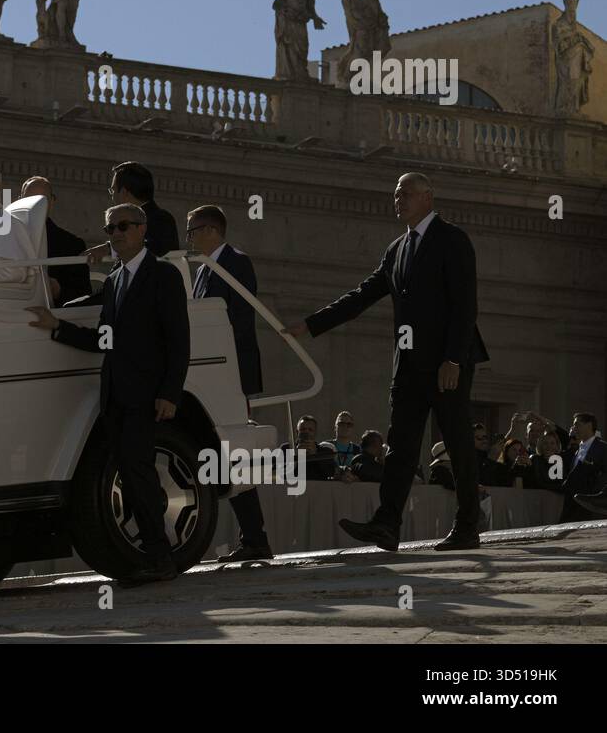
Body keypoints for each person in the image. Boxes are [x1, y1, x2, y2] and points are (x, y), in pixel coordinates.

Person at [286, 172, 489, 552]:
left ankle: (467, 525)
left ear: (428, 197)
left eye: (406, 193)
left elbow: (465, 306)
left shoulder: (452, 239)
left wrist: (453, 359)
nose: (399, 200)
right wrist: (311, 325)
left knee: (458, 444)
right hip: (409, 366)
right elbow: (363, 295)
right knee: (401, 445)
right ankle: (387, 524)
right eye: (395, 195)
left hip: (447, 364)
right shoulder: (397, 249)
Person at [27, 203, 190, 586]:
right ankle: (151, 556)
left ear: (141, 229)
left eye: (123, 226)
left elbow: (179, 340)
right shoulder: (115, 280)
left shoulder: (163, 276)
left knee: (140, 474)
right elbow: (105, 339)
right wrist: (56, 327)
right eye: (110, 228)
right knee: (130, 478)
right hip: (114, 398)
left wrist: (170, 393)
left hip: (147, 396)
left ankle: (160, 556)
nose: (116, 234)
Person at [184, 204, 271, 561]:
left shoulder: (235, 262)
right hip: (214, 374)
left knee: (234, 452)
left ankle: (255, 537)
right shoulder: (206, 269)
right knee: (226, 453)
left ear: (211, 231)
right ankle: (252, 536)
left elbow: (239, 320)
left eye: (191, 230)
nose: (187, 238)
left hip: (229, 373)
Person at [21, 176, 90, 305]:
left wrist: (58, 291)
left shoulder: (72, 245)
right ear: (19, 202)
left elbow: (82, 294)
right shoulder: (4, 238)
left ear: (52, 202)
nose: (36, 205)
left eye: (42, 200)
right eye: (29, 200)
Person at [559, 412, 606, 522]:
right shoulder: (577, 450)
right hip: (574, 507)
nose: (573, 428)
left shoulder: (602, 448)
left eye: (577, 424)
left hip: (593, 508)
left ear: (589, 425)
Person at [325, 411, 362, 477]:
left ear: (352, 428)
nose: (345, 426)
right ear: (335, 427)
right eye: (341, 423)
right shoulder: (326, 447)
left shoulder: (358, 450)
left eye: (349, 424)